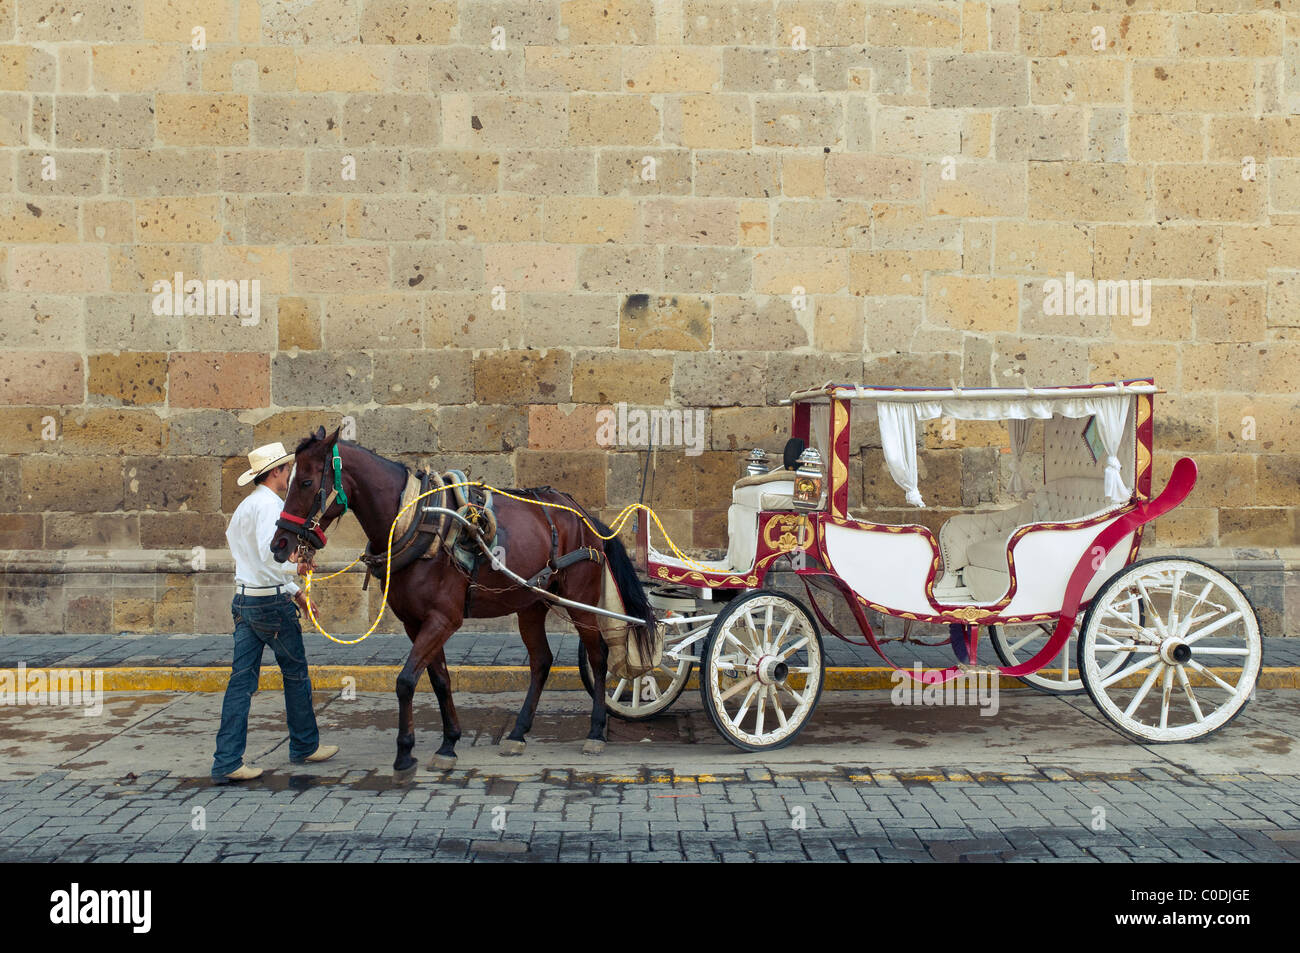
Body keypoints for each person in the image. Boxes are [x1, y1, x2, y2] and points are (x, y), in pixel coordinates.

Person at [211, 442, 339, 782]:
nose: (289, 475)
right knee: (295, 673)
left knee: (241, 683)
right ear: (276, 472)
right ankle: (304, 745)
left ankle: (227, 761)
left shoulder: (245, 508)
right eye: (286, 470)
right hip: (270, 604)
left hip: (245, 600)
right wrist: (297, 572)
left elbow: (251, 560)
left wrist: (296, 593)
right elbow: (273, 557)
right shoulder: (271, 507)